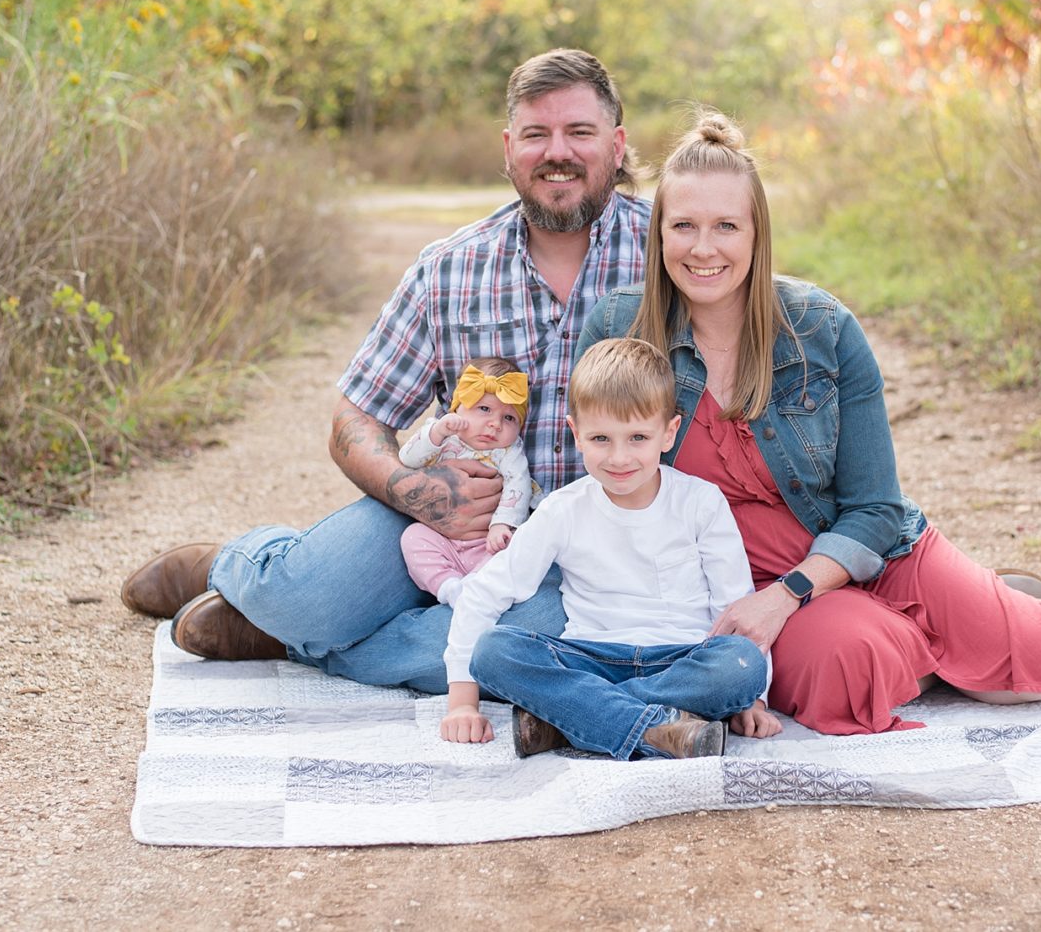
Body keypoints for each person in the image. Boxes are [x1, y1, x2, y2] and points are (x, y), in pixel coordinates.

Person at [118, 49, 651, 692]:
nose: (556, 152)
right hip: (438, 522)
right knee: (304, 594)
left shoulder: (668, 260)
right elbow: (356, 417)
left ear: (616, 146)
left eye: (579, 133)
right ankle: (235, 573)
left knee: (500, 650)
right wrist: (415, 491)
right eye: (537, 134)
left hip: (585, 548)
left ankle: (289, 640)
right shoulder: (451, 269)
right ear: (509, 149)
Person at [574, 110, 1041, 736]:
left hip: (859, 552)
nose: (703, 248)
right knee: (848, 668)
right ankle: (946, 634)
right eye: (684, 226)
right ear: (656, 234)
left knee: (1031, 673)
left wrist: (790, 594)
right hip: (743, 582)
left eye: (726, 226)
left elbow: (875, 508)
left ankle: (1028, 610)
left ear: (757, 234)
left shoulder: (822, 329)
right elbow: (604, 489)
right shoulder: (620, 330)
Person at [439, 338, 774, 760]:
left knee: (741, 663)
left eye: (637, 437)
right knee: (496, 651)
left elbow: (737, 604)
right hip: (589, 657)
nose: (619, 458)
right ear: (576, 433)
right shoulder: (563, 509)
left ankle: (567, 719)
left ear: (668, 432)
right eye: (601, 438)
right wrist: (462, 703)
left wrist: (755, 701)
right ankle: (656, 729)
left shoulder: (700, 501)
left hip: (682, 659)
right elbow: (487, 590)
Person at [399, 356, 535, 606]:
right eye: (484, 409)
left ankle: (477, 587)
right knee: (413, 536)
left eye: (509, 418)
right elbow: (407, 459)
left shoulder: (509, 452)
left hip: (486, 543)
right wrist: (437, 432)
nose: (495, 424)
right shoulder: (443, 436)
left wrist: (501, 525)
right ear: (458, 407)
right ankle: (447, 586)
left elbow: (519, 486)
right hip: (439, 535)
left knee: (513, 550)